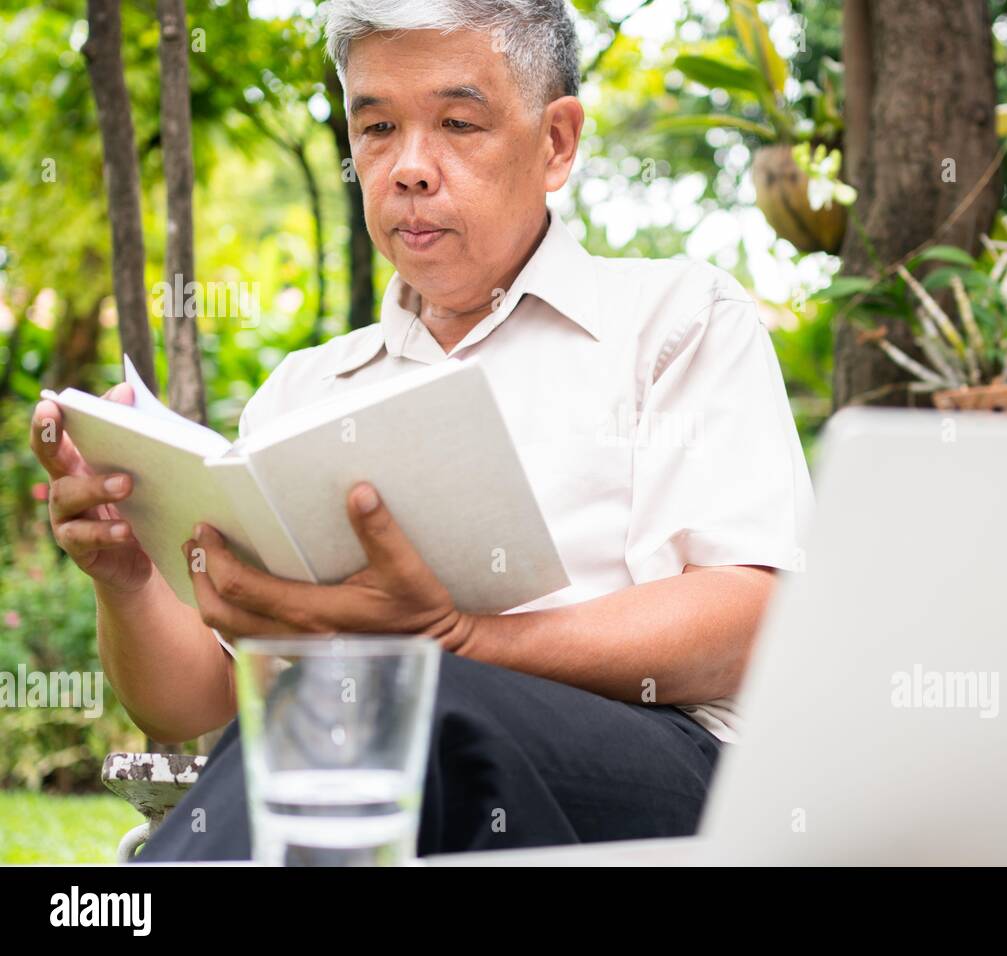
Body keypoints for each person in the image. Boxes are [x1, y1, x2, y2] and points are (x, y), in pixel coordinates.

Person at [29, 0, 814, 860]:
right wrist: (128, 576)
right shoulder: (307, 392)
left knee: (377, 701)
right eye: (376, 128)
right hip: (372, 759)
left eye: (457, 123)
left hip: (667, 772)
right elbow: (200, 703)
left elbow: (750, 618)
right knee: (337, 716)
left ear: (556, 143)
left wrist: (457, 643)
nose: (409, 167)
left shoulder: (674, 319)